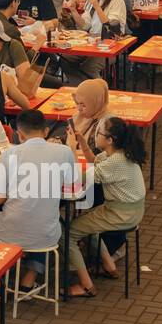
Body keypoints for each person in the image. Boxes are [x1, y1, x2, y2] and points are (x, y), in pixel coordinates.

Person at [0, 109, 78, 294]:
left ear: (19, 134)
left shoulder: (10, 155)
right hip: (46, 235)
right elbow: (71, 188)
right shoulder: (64, 152)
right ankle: (29, 280)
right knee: (46, 218)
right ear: (45, 131)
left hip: (11, 232)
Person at [65, 117, 147, 298]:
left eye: (99, 132)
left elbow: (77, 178)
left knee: (67, 233)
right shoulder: (118, 154)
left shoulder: (115, 162)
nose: (95, 134)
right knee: (88, 222)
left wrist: (71, 148)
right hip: (128, 210)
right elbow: (95, 162)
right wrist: (83, 144)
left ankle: (86, 285)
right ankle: (108, 264)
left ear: (110, 140)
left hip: (121, 214)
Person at [61, 0, 128, 81]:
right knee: (65, 58)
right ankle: (80, 87)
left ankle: (99, 94)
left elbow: (111, 28)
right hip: (91, 42)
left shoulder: (117, 1)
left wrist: (97, 6)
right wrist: (73, 10)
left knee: (89, 67)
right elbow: (85, 25)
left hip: (110, 44)